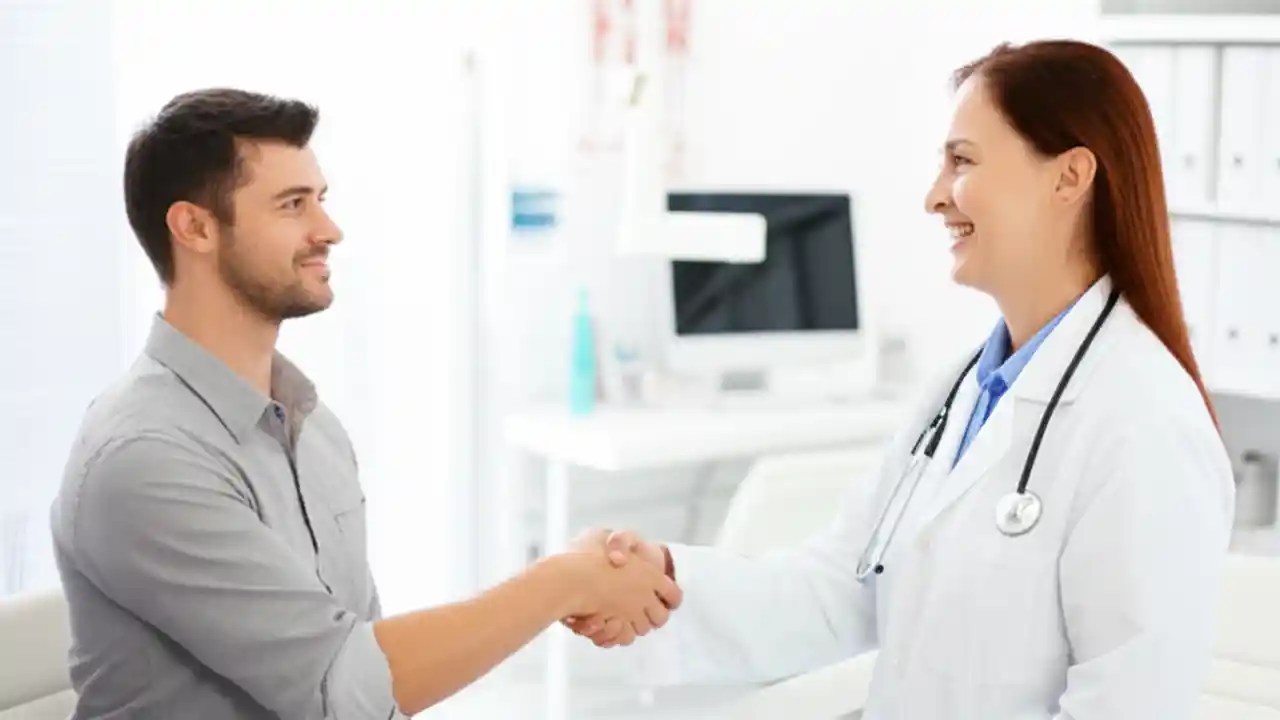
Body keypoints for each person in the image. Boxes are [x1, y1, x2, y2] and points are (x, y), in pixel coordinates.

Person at [567, 40, 1235, 719]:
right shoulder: (960, 391)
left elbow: (1128, 705)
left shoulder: (1145, 423)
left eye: (962, 160)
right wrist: (668, 579)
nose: (934, 196)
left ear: (1068, 177)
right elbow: (835, 591)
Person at [49, 88, 681, 720]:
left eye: (319, 200)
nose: (329, 230)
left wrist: (585, 573)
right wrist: (565, 580)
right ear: (195, 227)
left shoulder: (313, 427)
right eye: (293, 205)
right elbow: (341, 690)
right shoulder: (145, 457)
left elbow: (366, 663)